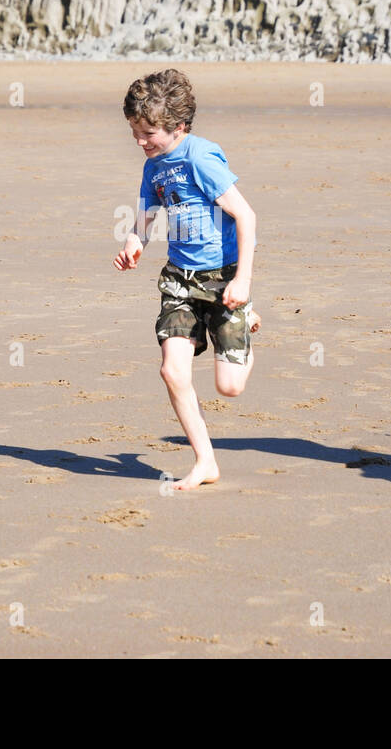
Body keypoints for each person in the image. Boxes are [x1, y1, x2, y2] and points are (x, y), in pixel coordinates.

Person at [113, 69, 260, 490]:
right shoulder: (153, 166)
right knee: (172, 371)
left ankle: (244, 317)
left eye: (149, 133)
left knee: (229, 387)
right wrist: (134, 243)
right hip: (179, 281)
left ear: (179, 126)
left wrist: (243, 281)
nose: (142, 142)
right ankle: (205, 461)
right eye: (135, 133)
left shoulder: (200, 157)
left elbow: (245, 216)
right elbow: (144, 217)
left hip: (222, 279)